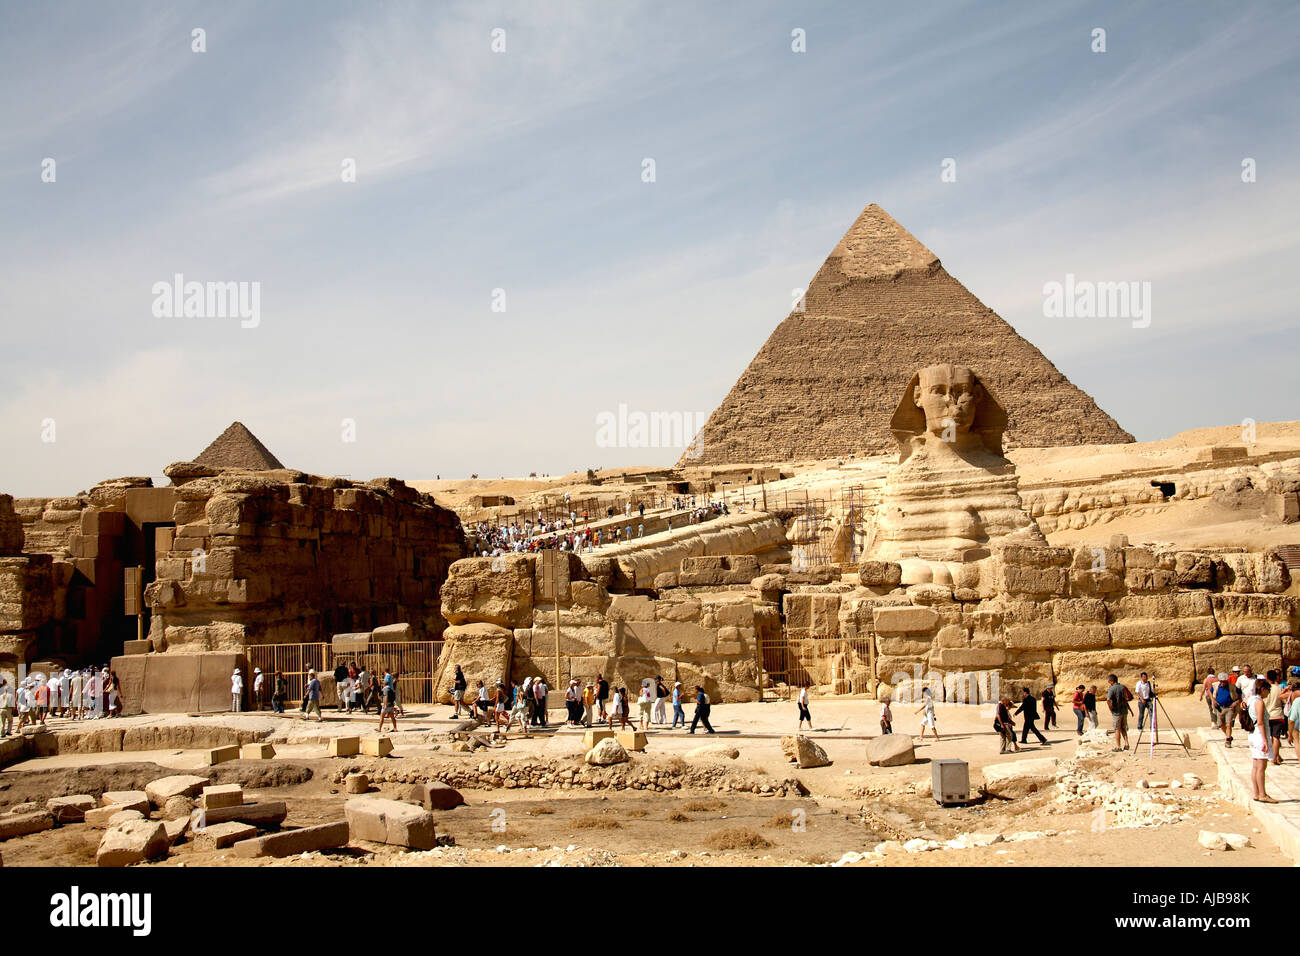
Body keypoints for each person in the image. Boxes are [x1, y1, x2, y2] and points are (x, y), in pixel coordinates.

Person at [1248, 677, 1276, 802]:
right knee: (1261, 767)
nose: (1268, 693)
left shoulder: (1250, 700)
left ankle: (1256, 793)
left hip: (1253, 734)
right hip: (1259, 735)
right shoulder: (1259, 702)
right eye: (1268, 690)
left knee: (1255, 766)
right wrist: (1265, 740)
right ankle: (1262, 794)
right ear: (1263, 689)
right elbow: (1260, 722)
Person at [1264, 669, 1286, 764]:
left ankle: (1274, 756)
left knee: (1270, 737)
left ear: (1267, 677)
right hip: (1277, 715)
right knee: (1276, 737)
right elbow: (1284, 702)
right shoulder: (1279, 688)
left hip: (1267, 716)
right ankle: (1275, 758)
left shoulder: (1264, 689)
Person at [1105, 673, 1132, 751]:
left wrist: (1110, 707)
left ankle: (1118, 746)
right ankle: (1126, 744)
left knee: (1117, 729)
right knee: (1123, 728)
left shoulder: (1112, 689)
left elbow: (1108, 699)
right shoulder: (1122, 687)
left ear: (1111, 681)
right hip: (1124, 710)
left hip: (1117, 712)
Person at [1212, 671, 1238, 746]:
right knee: (1221, 725)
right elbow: (1210, 692)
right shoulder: (1216, 686)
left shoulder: (1232, 687)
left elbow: (1239, 697)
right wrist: (1213, 700)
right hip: (1220, 708)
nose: (1223, 683)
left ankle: (1228, 741)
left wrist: (1235, 703)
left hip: (1229, 708)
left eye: (1224, 681)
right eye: (1221, 681)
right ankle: (1228, 736)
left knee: (1228, 724)